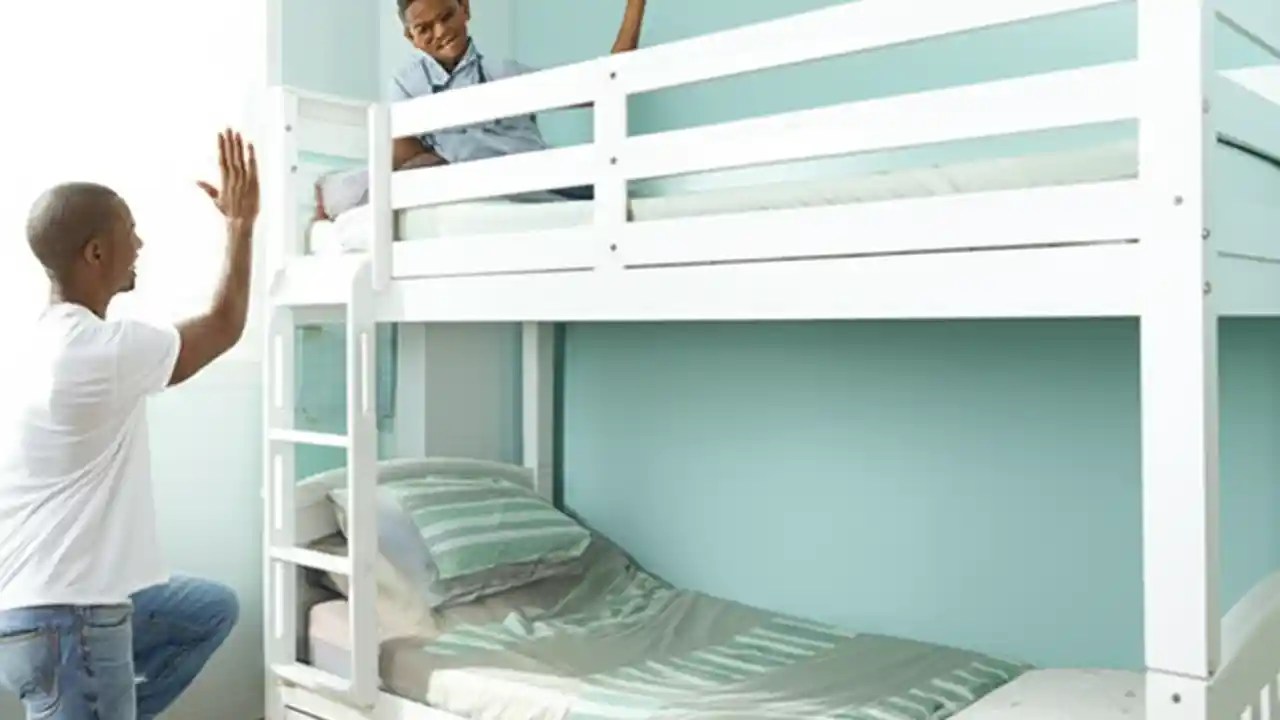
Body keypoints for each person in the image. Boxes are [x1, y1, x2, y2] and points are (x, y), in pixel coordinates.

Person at [0, 129, 259, 720]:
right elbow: (224, 324)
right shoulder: (97, 349)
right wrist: (240, 226)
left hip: (28, 610)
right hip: (72, 621)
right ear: (95, 253)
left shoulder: (32, 343)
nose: (139, 243)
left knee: (210, 608)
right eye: (128, 231)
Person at [391, 0, 647, 188]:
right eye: (424, 28)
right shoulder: (406, 86)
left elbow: (603, 84)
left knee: (615, 187)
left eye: (446, 17)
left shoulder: (502, 72)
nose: (440, 31)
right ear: (410, 36)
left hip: (540, 182)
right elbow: (404, 156)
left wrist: (635, 6)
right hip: (472, 190)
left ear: (465, 8)